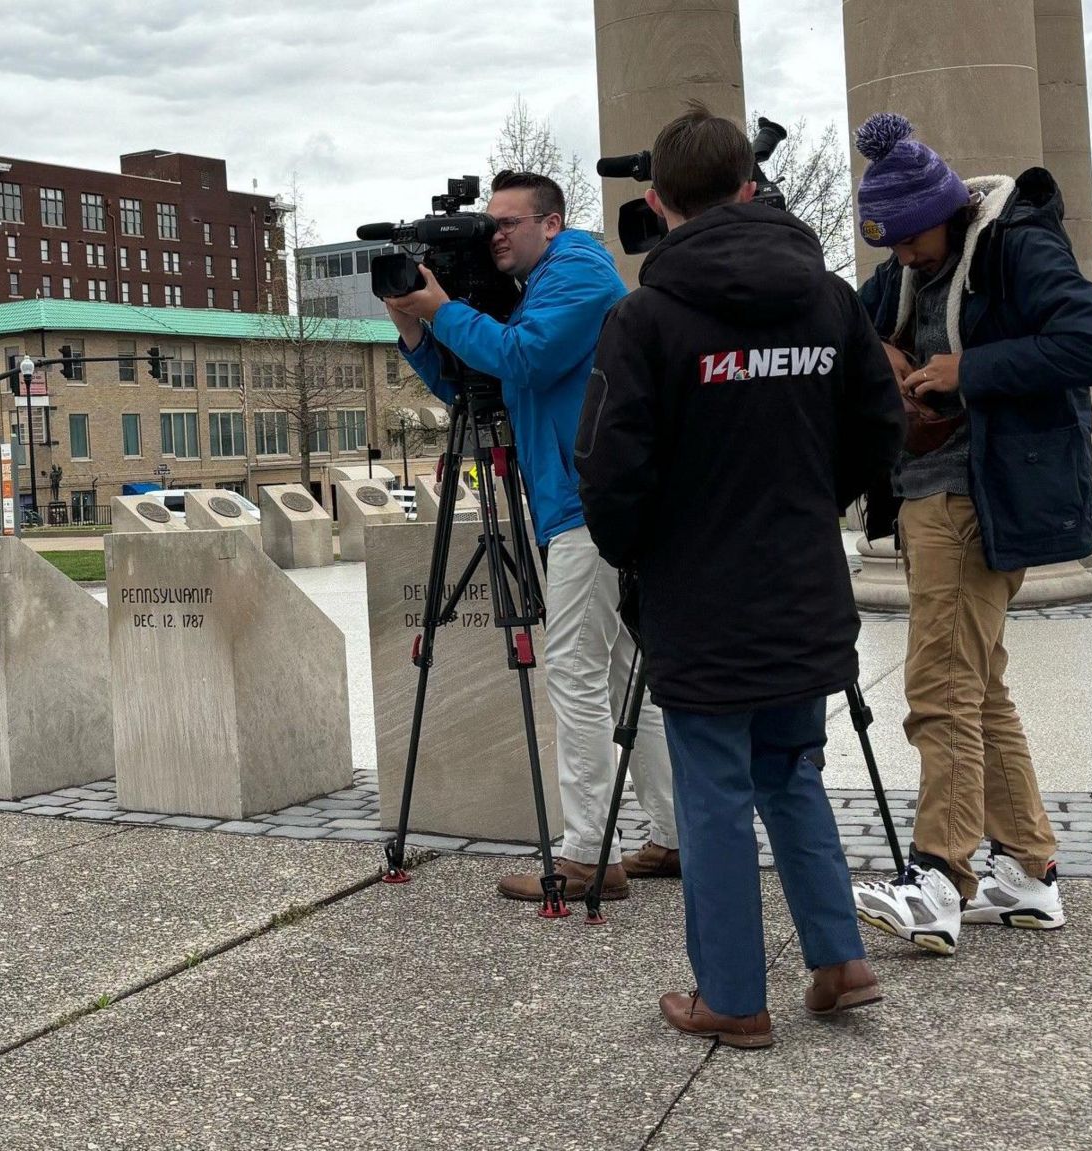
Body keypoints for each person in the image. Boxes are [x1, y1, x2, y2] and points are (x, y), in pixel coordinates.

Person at [577, 103, 905, 1048]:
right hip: (803, 578)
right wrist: (810, 500)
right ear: (751, 186)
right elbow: (877, 430)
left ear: (656, 200)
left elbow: (610, 468)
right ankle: (839, 959)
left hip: (701, 589)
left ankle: (732, 994)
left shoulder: (646, 317)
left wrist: (636, 549)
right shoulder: (831, 298)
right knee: (792, 769)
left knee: (715, 787)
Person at [844, 114, 1092, 955]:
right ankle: (1029, 872)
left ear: (945, 209)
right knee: (979, 687)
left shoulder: (1017, 245)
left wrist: (972, 367)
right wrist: (887, 357)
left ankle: (940, 878)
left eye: (910, 239)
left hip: (979, 494)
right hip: (932, 494)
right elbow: (845, 318)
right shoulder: (905, 265)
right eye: (888, 244)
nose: (901, 256)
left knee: (939, 687)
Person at [384, 170, 682, 903]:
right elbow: (479, 386)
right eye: (491, 226)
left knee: (576, 673)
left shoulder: (579, 272)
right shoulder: (533, 293)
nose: (495, 237)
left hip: (591, 506)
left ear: (552, 223)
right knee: (615, 678)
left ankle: (588, 854)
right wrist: (416, 326)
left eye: (508, 224)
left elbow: (523, 356)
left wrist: (447, 308)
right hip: (575, 506)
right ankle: (675, 834)